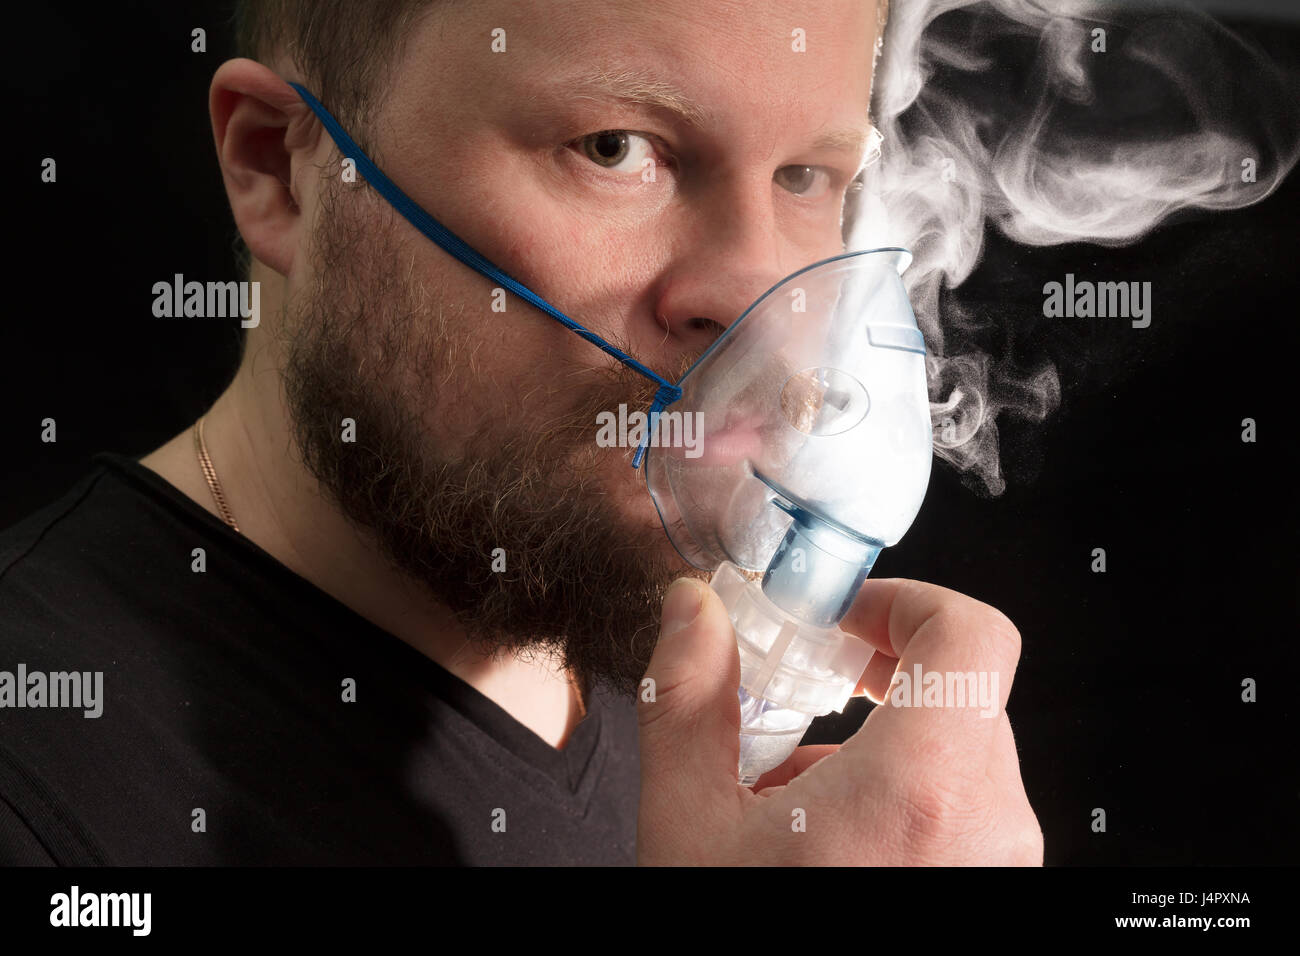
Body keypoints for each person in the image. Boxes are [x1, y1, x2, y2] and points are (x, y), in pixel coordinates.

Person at [0, 0, 1041, 865]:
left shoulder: (728, 732)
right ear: (281, 167)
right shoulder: (44, 786)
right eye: (614, 147)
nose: (761, 301)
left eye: (807, 178)